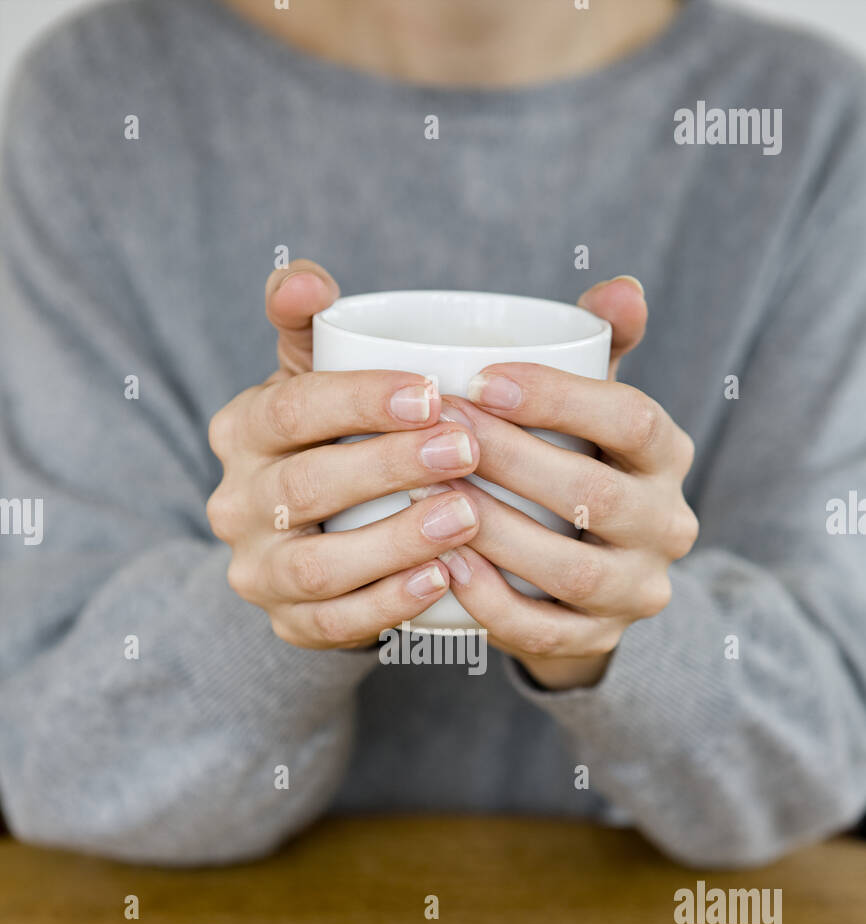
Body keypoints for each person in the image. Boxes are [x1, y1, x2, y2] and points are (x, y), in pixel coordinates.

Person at [0, 0, 864, 866]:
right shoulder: (100, 103)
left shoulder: (809, 123)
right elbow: (57, 768)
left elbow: (823, 761)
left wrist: (612, 622)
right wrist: (285, 597)